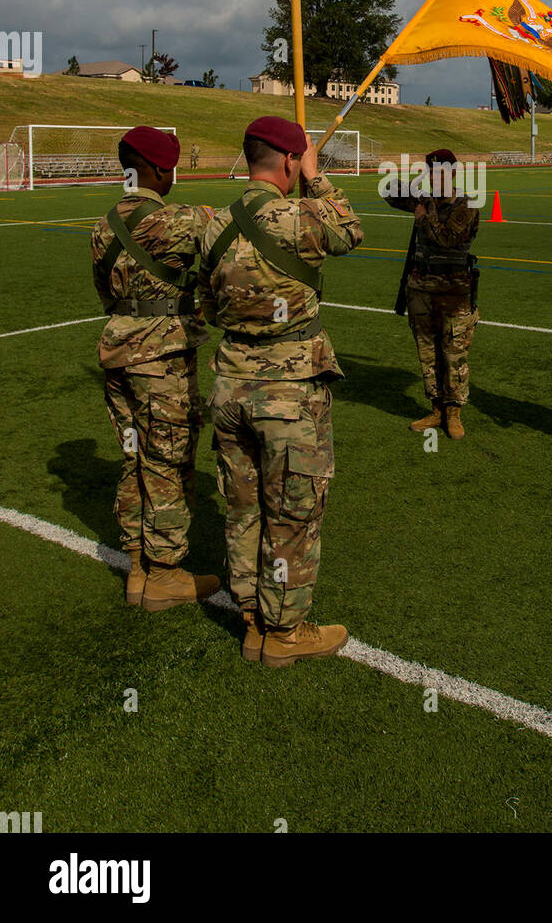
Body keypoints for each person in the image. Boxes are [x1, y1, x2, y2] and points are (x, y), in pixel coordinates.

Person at [198, 117, 363, 667]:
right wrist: (318, 180)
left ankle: (249, 612)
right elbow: (350, 232)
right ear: (290, 162)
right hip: (288, 393)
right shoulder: (302, 217)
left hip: (230, 386)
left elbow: (203, 299)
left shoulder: (214, 224)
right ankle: (282, 631)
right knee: (293, 514)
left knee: (242, 507)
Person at [90, 125, 220, 608]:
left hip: (118, 351)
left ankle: (138, 566)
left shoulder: (103, 225)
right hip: (161, 361)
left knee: (135, 458)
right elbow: (242, 227)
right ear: (161, 169)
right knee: (169, 460)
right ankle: (165, 572)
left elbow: (107, 297)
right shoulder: (181, 220)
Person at [385, 148, 479, 440]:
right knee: (428, 355)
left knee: (454, 355)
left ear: (453, 173)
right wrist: (412, 186)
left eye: (441, 171)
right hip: (421, 290)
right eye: (431, 171)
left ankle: (454, 413)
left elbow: (448, 238)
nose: (436, 176)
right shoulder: (424, 199)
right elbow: (389, 193)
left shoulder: (468, 204)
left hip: (454, 293)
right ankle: (436, 409)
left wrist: (423, 217)